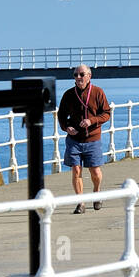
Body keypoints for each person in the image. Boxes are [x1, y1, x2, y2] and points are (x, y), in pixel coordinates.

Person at [58, 65, 111, 213]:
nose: (78, 78)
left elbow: (106, 113)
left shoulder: (98, 92)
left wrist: (91, 121)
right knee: (76, 170)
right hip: (74, 140)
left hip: (92, 139)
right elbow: (61, 115)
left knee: (95, 172)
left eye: (81, 74)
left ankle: (97, 192)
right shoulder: (69, 94)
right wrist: (66, 127)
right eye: (75, 75)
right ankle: (80, 202)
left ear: (89, 76)